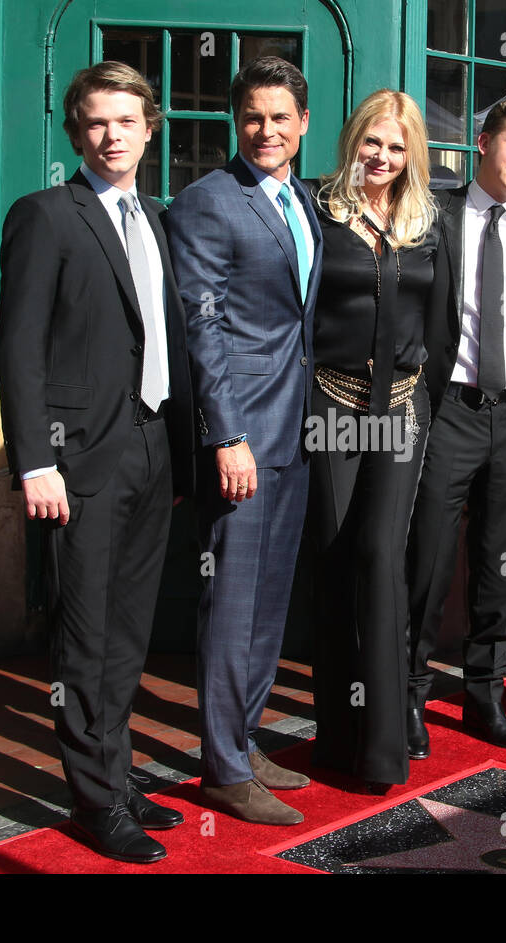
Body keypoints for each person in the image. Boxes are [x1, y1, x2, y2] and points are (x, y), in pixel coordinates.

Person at [0, 61, 194, 863]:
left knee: (128, 631)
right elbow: (19, 351)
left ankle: (115, 772)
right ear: (77, 131)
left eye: (126, 120)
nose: (112, 135)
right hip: (79, 461)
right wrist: (36, 462)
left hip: (153, 449)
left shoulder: (159, 217)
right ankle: (94, 800)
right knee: (84, 635)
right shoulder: (45, 216)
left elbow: (166, 338)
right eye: (96, 122)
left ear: (151, 128)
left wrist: (180, 447)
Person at [166, 56, 321, 826]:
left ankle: (245, 738)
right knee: (231, 602)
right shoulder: (205, 202)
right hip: (243, 435)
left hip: (296, 432)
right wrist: (225, 435)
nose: (266, 130)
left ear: (302, 123)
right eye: (253, 116)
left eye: (280, 117)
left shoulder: (305, 199)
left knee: (266, 602)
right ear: (238, 121)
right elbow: (202, 328)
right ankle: (223, 768)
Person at [406, 99, 506, 758]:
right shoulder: (435, 213)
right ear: (483, 142)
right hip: (446, 413)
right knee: (429, 563)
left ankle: (483, 698)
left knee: (498, 568)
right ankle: (408, 698)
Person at [306, 90, 439, 790]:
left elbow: (440, 325)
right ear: (351, 140)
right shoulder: (313, 210)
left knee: (381, 557)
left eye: (396, 147)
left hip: (402, 407)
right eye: (371, 143)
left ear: (411, 153)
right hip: (329, 402)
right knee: (333, 560)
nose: (381, 158)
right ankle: (335, 737)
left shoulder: (426, 222)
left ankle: (383, 746)